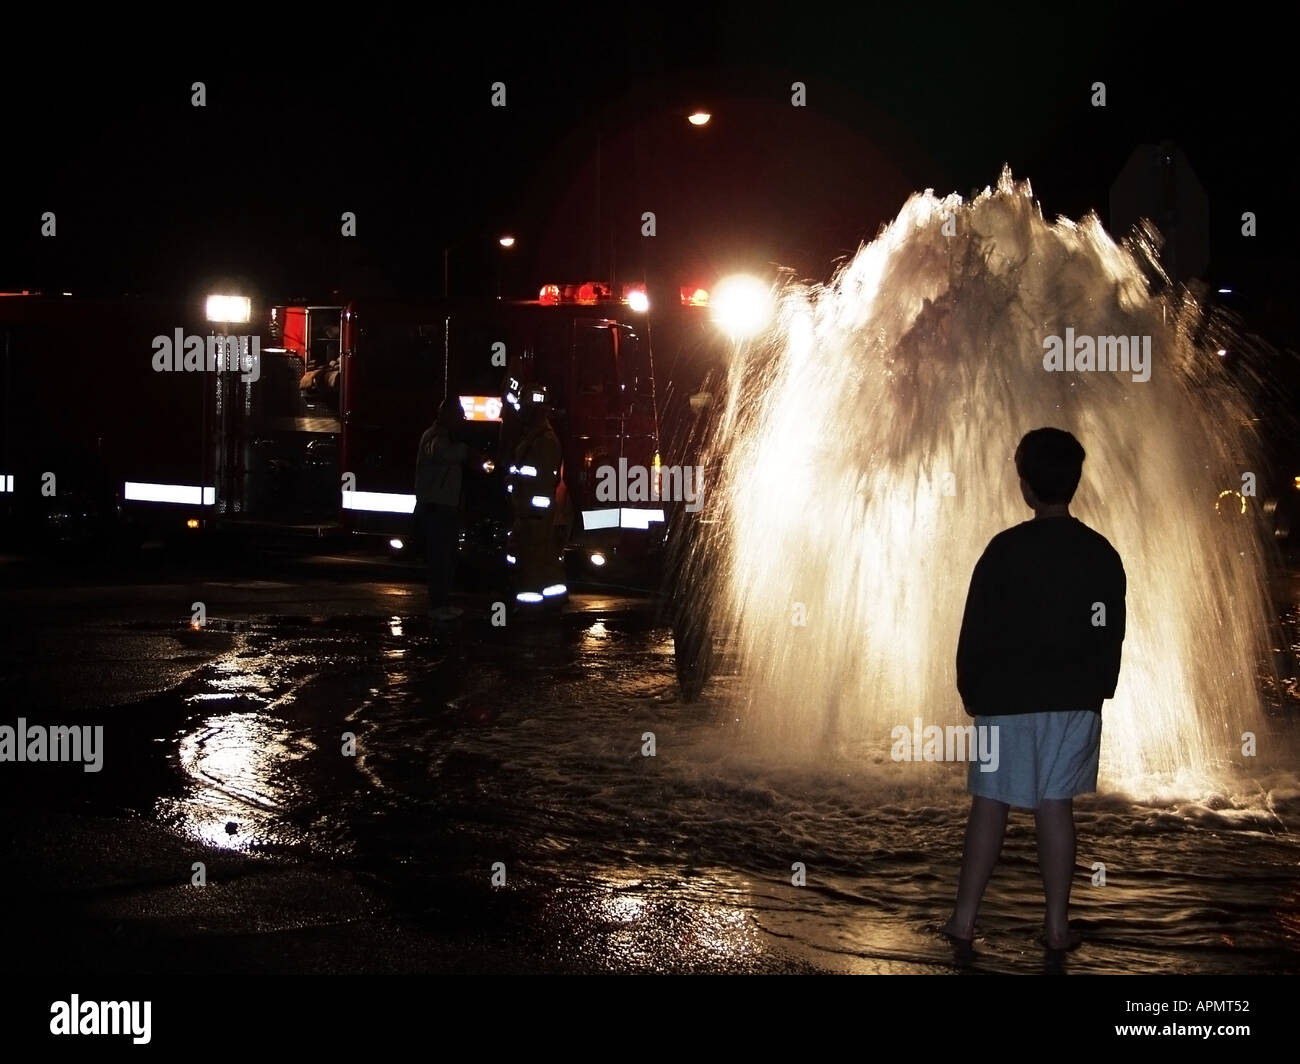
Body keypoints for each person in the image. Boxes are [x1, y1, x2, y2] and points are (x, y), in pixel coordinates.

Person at [942, 427, 1126, 953]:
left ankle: (963, 920)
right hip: (1073, 700)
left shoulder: (1003, 551)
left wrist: (971, 688)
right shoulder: (1100, 554)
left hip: (1005, 698)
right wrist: (1098, 687)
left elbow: (976, 626)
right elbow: (1108, 627)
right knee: (1055, 805)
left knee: (990, 805)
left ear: (1024, 485)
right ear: (1075, 482)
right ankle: (1057, 928)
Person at [506, 387, 567, 608]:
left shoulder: (545, 440)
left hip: (534, 512)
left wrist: (532, 509)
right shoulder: (535, 437)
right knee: (543, 556)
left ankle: (529, 603)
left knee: (531, 558)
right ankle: (553, 599)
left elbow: (541, 480)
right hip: (531, 511)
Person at [414, 398, 472, 621]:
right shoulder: (435, 437)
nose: (461, 420)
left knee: (446, 559)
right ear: (446, 415)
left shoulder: (442, 437)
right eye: (458, 416)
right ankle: (438, 606)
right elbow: (443, 453)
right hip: (436, 510)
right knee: (440, 559)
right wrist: (468, 453)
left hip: (443, 509)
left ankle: (443, 603)